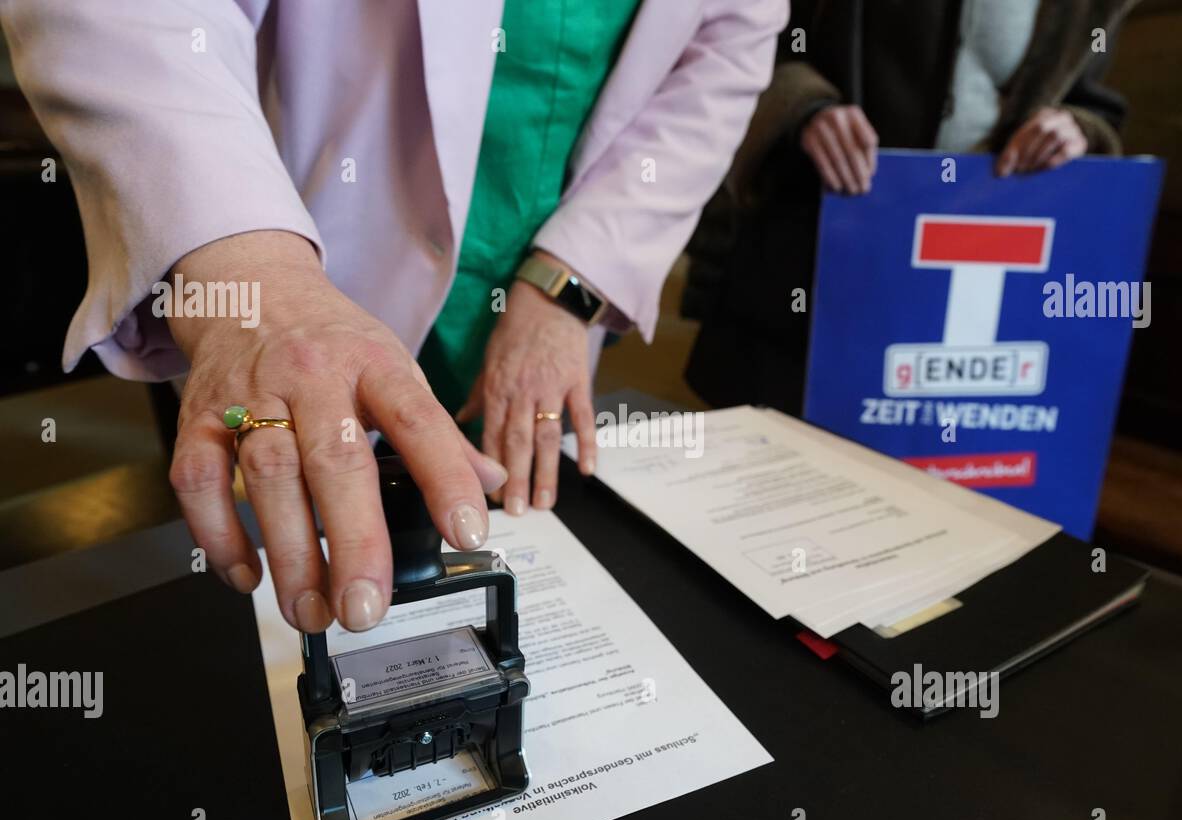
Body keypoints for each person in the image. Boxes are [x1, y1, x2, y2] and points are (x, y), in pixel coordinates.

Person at [0, 0, 787, 632]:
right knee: (271, 570)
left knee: (515, 547)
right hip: (295, 257)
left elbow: (728, 43)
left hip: (550, 266)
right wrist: (256, 278)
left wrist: (570, 285)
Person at [683, 0, 1136, 415]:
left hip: (981, 287)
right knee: (771, 472)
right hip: (816, 257)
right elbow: (743, 44)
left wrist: (1076, 128)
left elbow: (1092, 102)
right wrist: (805, 106)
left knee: (941, 477)